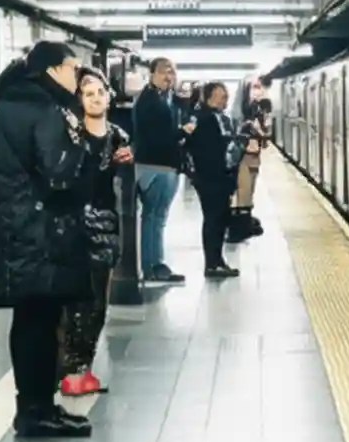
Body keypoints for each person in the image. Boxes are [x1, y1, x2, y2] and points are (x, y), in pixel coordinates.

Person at [0, 42, 126, 438]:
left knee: (32, 320)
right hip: (40, 231)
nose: (75, 77)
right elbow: (59, 172)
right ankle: (36, 411)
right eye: (72, 68)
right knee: (39, 323)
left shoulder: (8, 103)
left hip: (18, 228)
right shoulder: (43, 108)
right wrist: (84, 146)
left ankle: (36, 407)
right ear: (53, 69)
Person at [59, 68, 132, 397]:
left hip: (105, 224)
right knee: (73, 299)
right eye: (88, 93)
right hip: (71, 224)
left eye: (100, 92)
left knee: (97, 303)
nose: (96, 98)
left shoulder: (118, 136)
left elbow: (123, 185)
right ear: (79, 99)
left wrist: (127, 164)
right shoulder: (68, 134)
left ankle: (82, 367)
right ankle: (71, 368)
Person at [131, 57, 192, 285]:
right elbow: (160, 137)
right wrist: (183, 132)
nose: (169, 77)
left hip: (160, 165)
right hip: (156, 166)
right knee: (154, 217)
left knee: (157, 217)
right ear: (152, 74)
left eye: (172, 72)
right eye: (165, 72)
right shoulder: (150, 101)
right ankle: (152, 266)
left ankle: (156, 264)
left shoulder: (159, 99)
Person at [187, 83, 247, 278]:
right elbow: (205, 150)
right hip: (211, 178)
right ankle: (212, 264)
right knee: (214, 220)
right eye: (221, 97)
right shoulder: (204, 119)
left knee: (219, 219)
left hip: (219, 178)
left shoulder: (217, 118)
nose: (225, 100)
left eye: (226, 96)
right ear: (209, 97)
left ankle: (217, 261)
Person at [227, 74, 270, 243]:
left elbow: (265, 136)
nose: (258, 91)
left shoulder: (256, 109)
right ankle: (237, 229)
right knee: (242, 192)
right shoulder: (240, 113)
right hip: (242, 157)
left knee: (249, 191)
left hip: (254, 155)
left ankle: (244, 224)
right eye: (254, 87)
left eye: (259, 87)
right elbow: (238, 134)